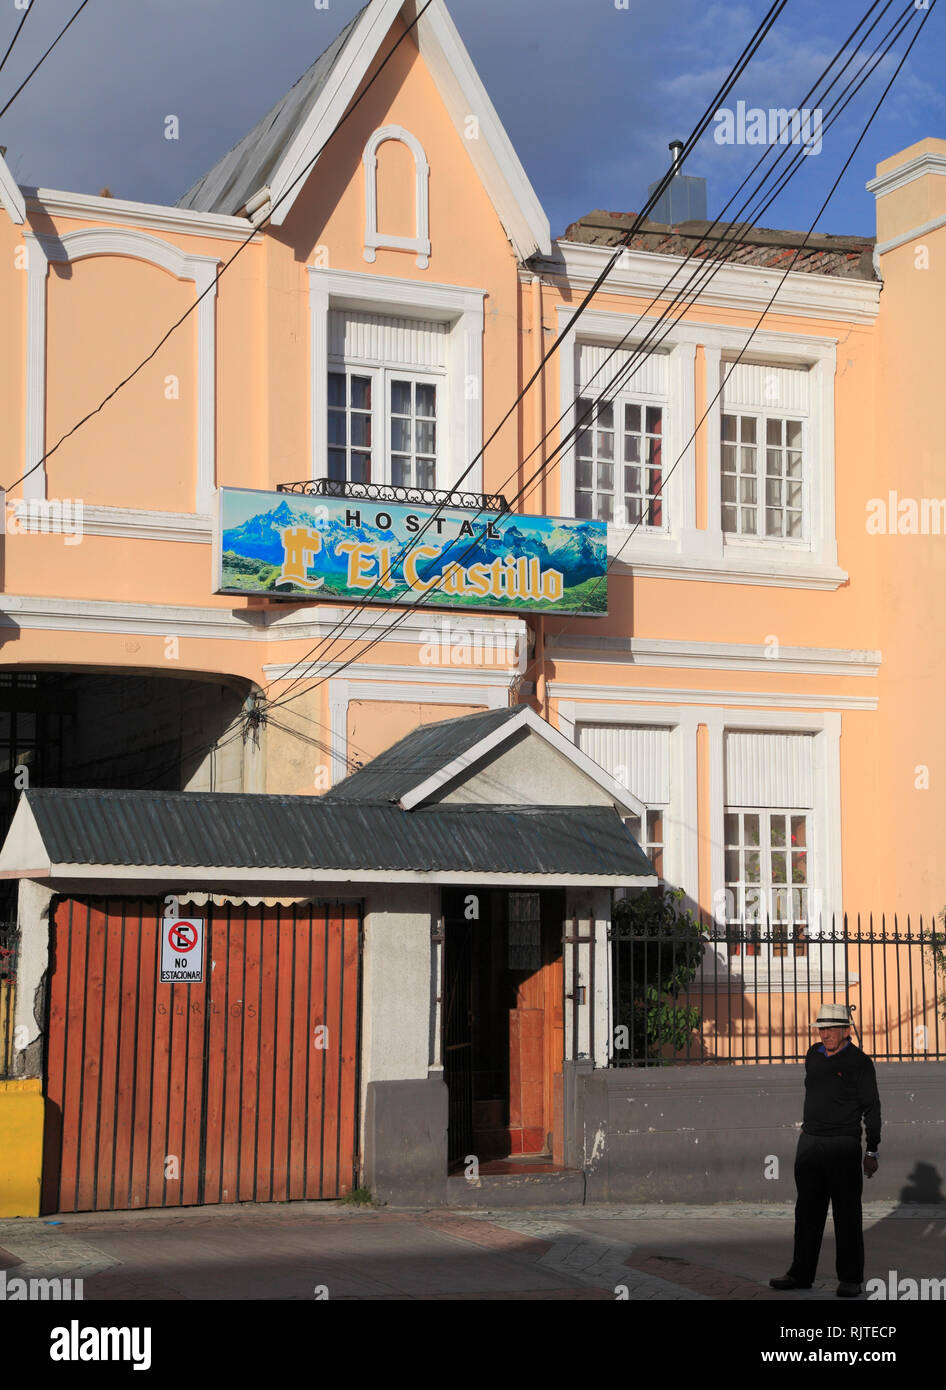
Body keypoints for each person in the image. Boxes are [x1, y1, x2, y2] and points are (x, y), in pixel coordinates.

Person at [770, 1002, 881, 1298]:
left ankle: (850, 1279)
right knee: (806, 1211)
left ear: (846, 1030)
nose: (825, 1033)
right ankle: (800, 1273)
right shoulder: (812, 1055)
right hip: (810, 1143)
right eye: (821, 1028)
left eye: (831, 1028)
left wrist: (872, 1151)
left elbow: (872, 1109)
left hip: (843, 1145)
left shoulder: (860, 1063)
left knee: (847, 1214)